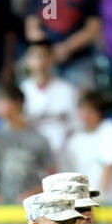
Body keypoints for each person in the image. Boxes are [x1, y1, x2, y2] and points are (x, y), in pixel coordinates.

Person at [24, 0, 102, 88]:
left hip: (79, 61)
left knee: (82, 102)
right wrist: (48, 51)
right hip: (46, 63)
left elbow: (93, 28)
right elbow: (32, 27)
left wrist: (66, 48)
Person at [0, 83, 53, 202]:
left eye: (1, 100)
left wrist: (34, 194)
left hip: (31, 207)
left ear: (17, 103)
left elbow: (52, 177)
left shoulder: (39, 139)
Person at [20, 40, 81, 169]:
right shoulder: (21, 91)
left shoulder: (67, 90)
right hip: (31, 153)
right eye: (34, 56)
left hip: (63, 152)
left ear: (51, 59)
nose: (39, 61)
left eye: (43, 56)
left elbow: (77, 125)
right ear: (27, 61)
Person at [61, 91, 112, 203]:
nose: (86, 116)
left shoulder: (110, 129)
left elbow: (109, 165)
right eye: (83, 110)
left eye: (91, 111)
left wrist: (98, 198)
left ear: (99, 113)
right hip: (81, 204)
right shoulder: (74, 139)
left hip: (107, 203)